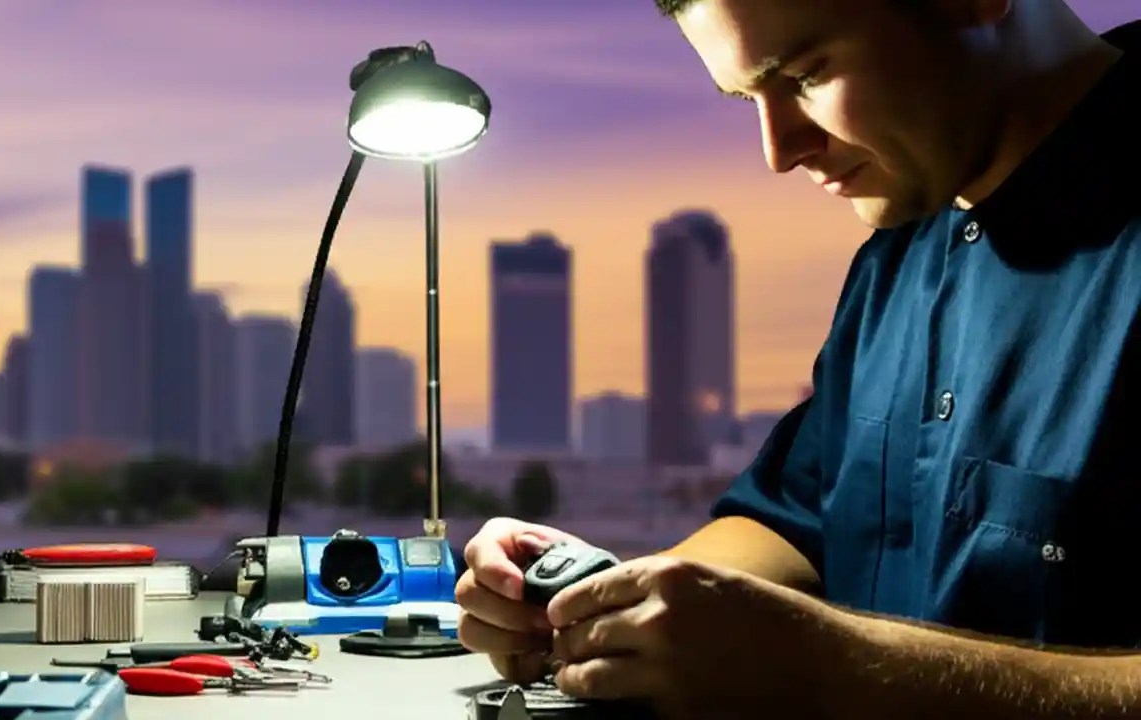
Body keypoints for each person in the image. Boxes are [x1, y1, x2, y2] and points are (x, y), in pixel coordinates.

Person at [454, 0, 1141, 717]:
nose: (780, 152)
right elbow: (796, 522)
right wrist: (611, 607)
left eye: (808, 74)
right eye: (748, 96)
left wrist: (844, 670)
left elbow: (829, 658)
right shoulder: (901, 251)